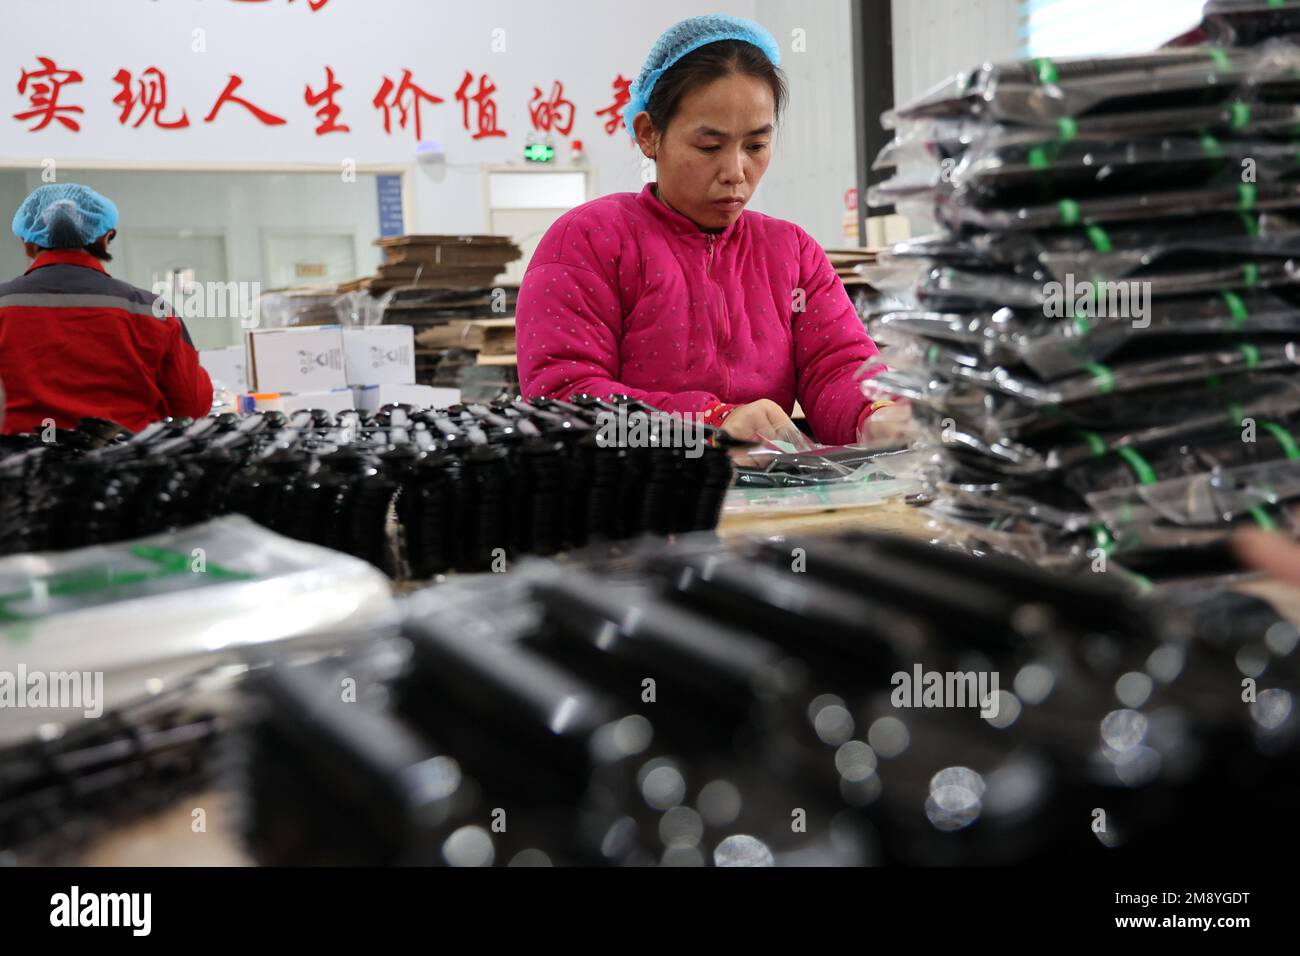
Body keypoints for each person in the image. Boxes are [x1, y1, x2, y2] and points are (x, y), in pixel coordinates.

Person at [516, 14, 902, 446]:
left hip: (774, 504)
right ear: (648, 135)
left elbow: (837, 364)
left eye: (756, 145)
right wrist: (707, 424)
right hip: (634, 502)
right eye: (709, 146)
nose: (736, 172)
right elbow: (562, 397)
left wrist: (875, 414)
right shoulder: (589, 242)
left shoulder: (791, 252)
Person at [0, 183, 212, 435]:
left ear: (26, 243)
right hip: (121, 467)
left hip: (21, 468)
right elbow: (192, 406)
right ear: (106, 238)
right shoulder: (153, 312)